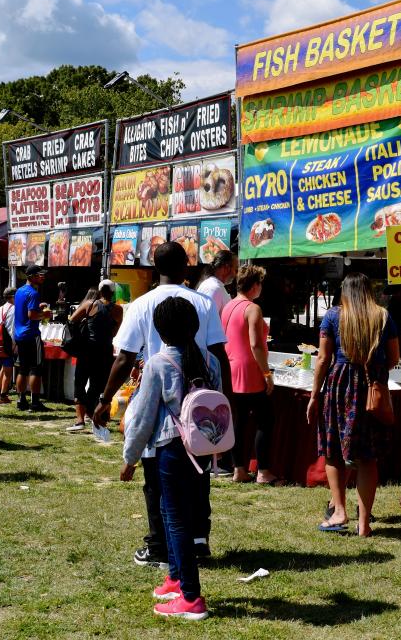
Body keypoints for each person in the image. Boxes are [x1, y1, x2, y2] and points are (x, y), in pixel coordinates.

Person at [93, 242, 229, 568]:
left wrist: (104, 399)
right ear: (186, 266)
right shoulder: (203, 303)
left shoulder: (141, 305)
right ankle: (198, 539)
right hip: (200, 411)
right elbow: (218, 355)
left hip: (161, 412)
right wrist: (226, 406)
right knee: (198, 475)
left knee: (156, 481)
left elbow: (124, 358)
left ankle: (158, 545)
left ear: (155, 267)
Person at [120, 297, 221, 621]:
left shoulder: (158, 363)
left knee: (176, 520)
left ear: (160, 330)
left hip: (171, 449)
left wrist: (130, 458)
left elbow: (143, 417)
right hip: (202, 449)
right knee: (173, 511)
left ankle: (190, 597)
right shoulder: (210, 360)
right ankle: (176, 578)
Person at [307, 272, 399, 537]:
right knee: (367, 456)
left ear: (344, 291)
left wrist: (314, 395)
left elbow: (323, 358)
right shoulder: (383, 316)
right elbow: (394, 358)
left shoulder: (333, 316)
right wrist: (373, 370)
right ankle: (364, 523)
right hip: (371, 387)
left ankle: (339, 511)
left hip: (340, 385)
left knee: (334, 450)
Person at [220, 264, 278, 485]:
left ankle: (239, 469)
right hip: (249, 371)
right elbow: (256, 344)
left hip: (231, 368)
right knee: (265, 420)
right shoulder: (253, 308)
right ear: (254, 285)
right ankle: (263, 471)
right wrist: (267, 373)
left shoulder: (228, 306)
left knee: (239, 420)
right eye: (260, 283)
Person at [65, 280, 123, 432]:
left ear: (99, 291)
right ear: (113, 292)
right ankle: (93, 415)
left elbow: (72, 320)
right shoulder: (118, 309)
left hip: (87, 350)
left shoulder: (89, 305)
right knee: (97, 386)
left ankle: (80, 420)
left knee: (80, 383)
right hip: (105, 351)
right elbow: (114, 332)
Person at [13, 265, 52, 412]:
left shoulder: (19, 291)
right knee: (36, 369)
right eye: (40, 274)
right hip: (31, 334)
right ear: (32, 276)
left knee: (22, 369)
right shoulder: (33, 293)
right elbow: (32, 315)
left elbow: (25, 310)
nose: (43, 277)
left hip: (20, 335)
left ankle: (21, 400)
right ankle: (35, 402)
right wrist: (45, 315)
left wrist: (38, 308)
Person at [0, 287, 17, 404]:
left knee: (3, 368)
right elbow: (13, 328)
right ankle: (3, 396)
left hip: (0, 342)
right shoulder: (14, 309)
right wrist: (14, 344)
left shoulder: (0, 308)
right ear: (12, 297)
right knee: (8, 371)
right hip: (8, 343)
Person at [196, 250, 235, 325]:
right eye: (235, 270)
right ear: (226, 268)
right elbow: (207, 321)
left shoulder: (215, 286)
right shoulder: (213, 288)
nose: (235, 274)